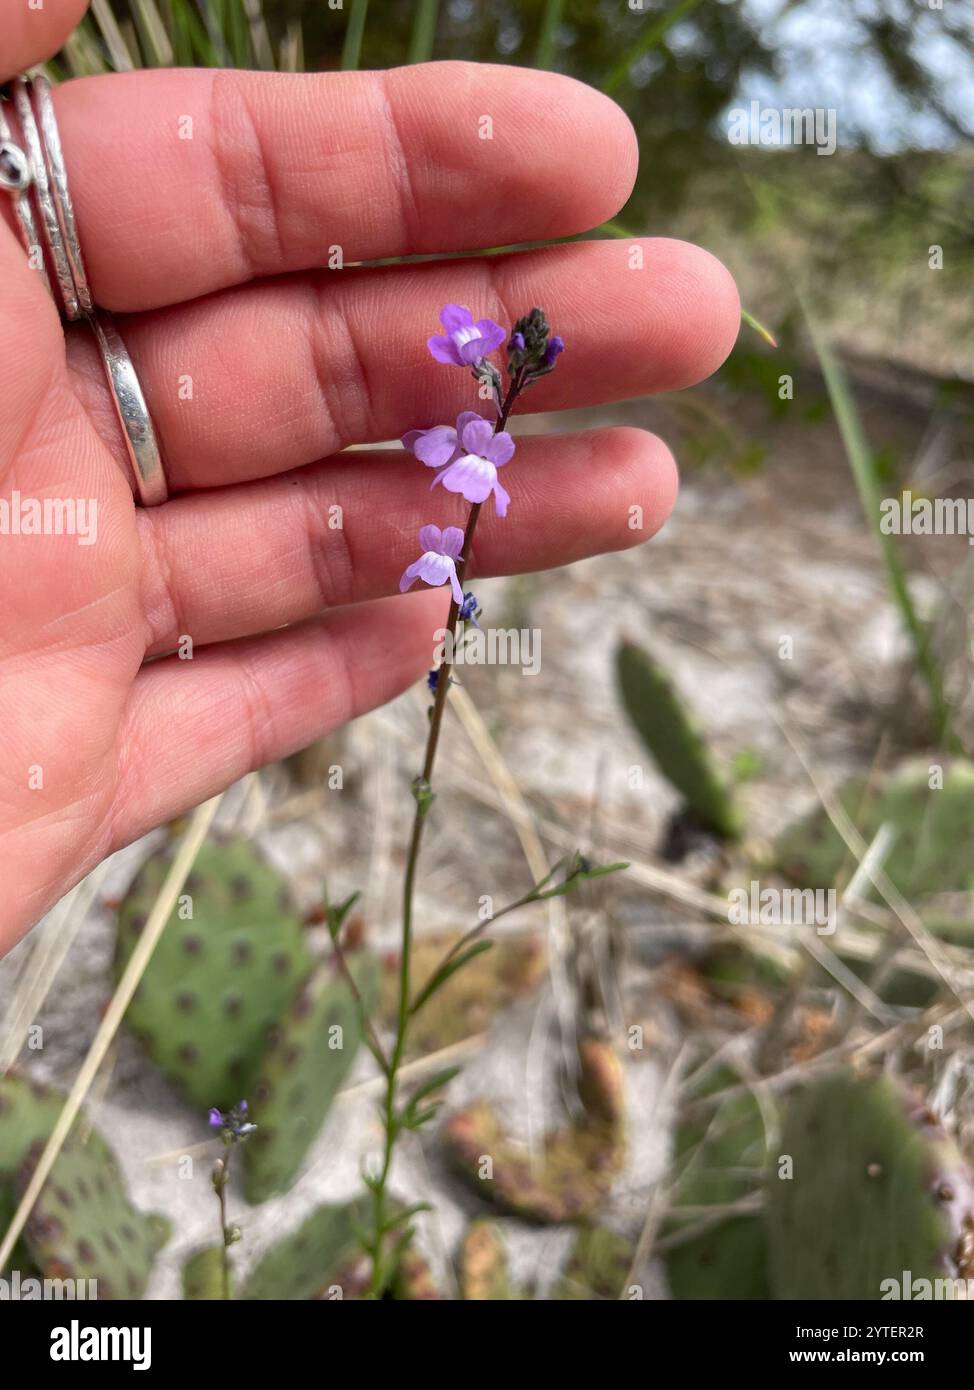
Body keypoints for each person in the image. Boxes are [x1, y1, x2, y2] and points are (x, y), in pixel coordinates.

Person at [0, 0, 740, 957]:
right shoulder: (470, 424)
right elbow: (469, 459)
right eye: (480, 362)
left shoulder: (485, 448)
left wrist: (479, 462)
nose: (475, 368)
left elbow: (482, 466)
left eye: (486, 365)